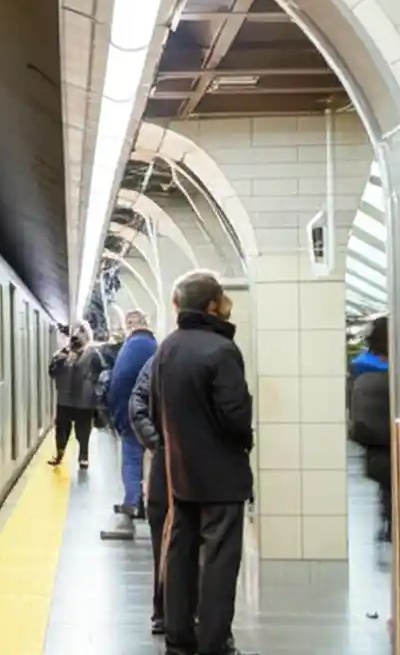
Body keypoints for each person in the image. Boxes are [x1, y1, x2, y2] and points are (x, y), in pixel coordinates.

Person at [155, 271, 256, 655]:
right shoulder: (221, 349)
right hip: (222, 477)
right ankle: (214, 643)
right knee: (218, 562)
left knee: (179, 555)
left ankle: (178, 639)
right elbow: (235, 415)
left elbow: (155, 406)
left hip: (181, 473)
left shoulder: (167, 348)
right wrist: (244, 441)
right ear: (212, 305)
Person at [100, 310, 157, 540]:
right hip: (141, 414)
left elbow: (122, 382)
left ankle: (133, 504)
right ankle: (138, 501)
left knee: (132, 459)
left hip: (133, 415)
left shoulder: (133, 347)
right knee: (145, 460)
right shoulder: (152, 345)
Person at [129, 353, 168, 635]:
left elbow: (137, 405)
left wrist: (157, 445)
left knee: (166, 545)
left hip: (166, 469)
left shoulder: (159, 359)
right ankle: (191, 617)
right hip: (198, 471)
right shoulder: (224, 354)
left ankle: (166, 614)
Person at [348, 316, 391, 542]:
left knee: (386, 487)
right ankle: (392, 525)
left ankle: (388, 521)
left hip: (371, 442)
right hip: (392, 442)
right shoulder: (395, 372)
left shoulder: (359, 366)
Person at [48, 323, 102, 469]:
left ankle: (83, 456)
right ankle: (59, 454)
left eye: (82, 331)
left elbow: (100, 374)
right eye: (75, 331)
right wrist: (57, 362)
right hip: (64, 399)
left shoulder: (93, 354)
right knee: (61, 429)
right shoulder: (62, 354)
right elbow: (52, 373)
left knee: (83, 431)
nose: (77, 336)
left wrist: (96, 391)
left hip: (84, 401)